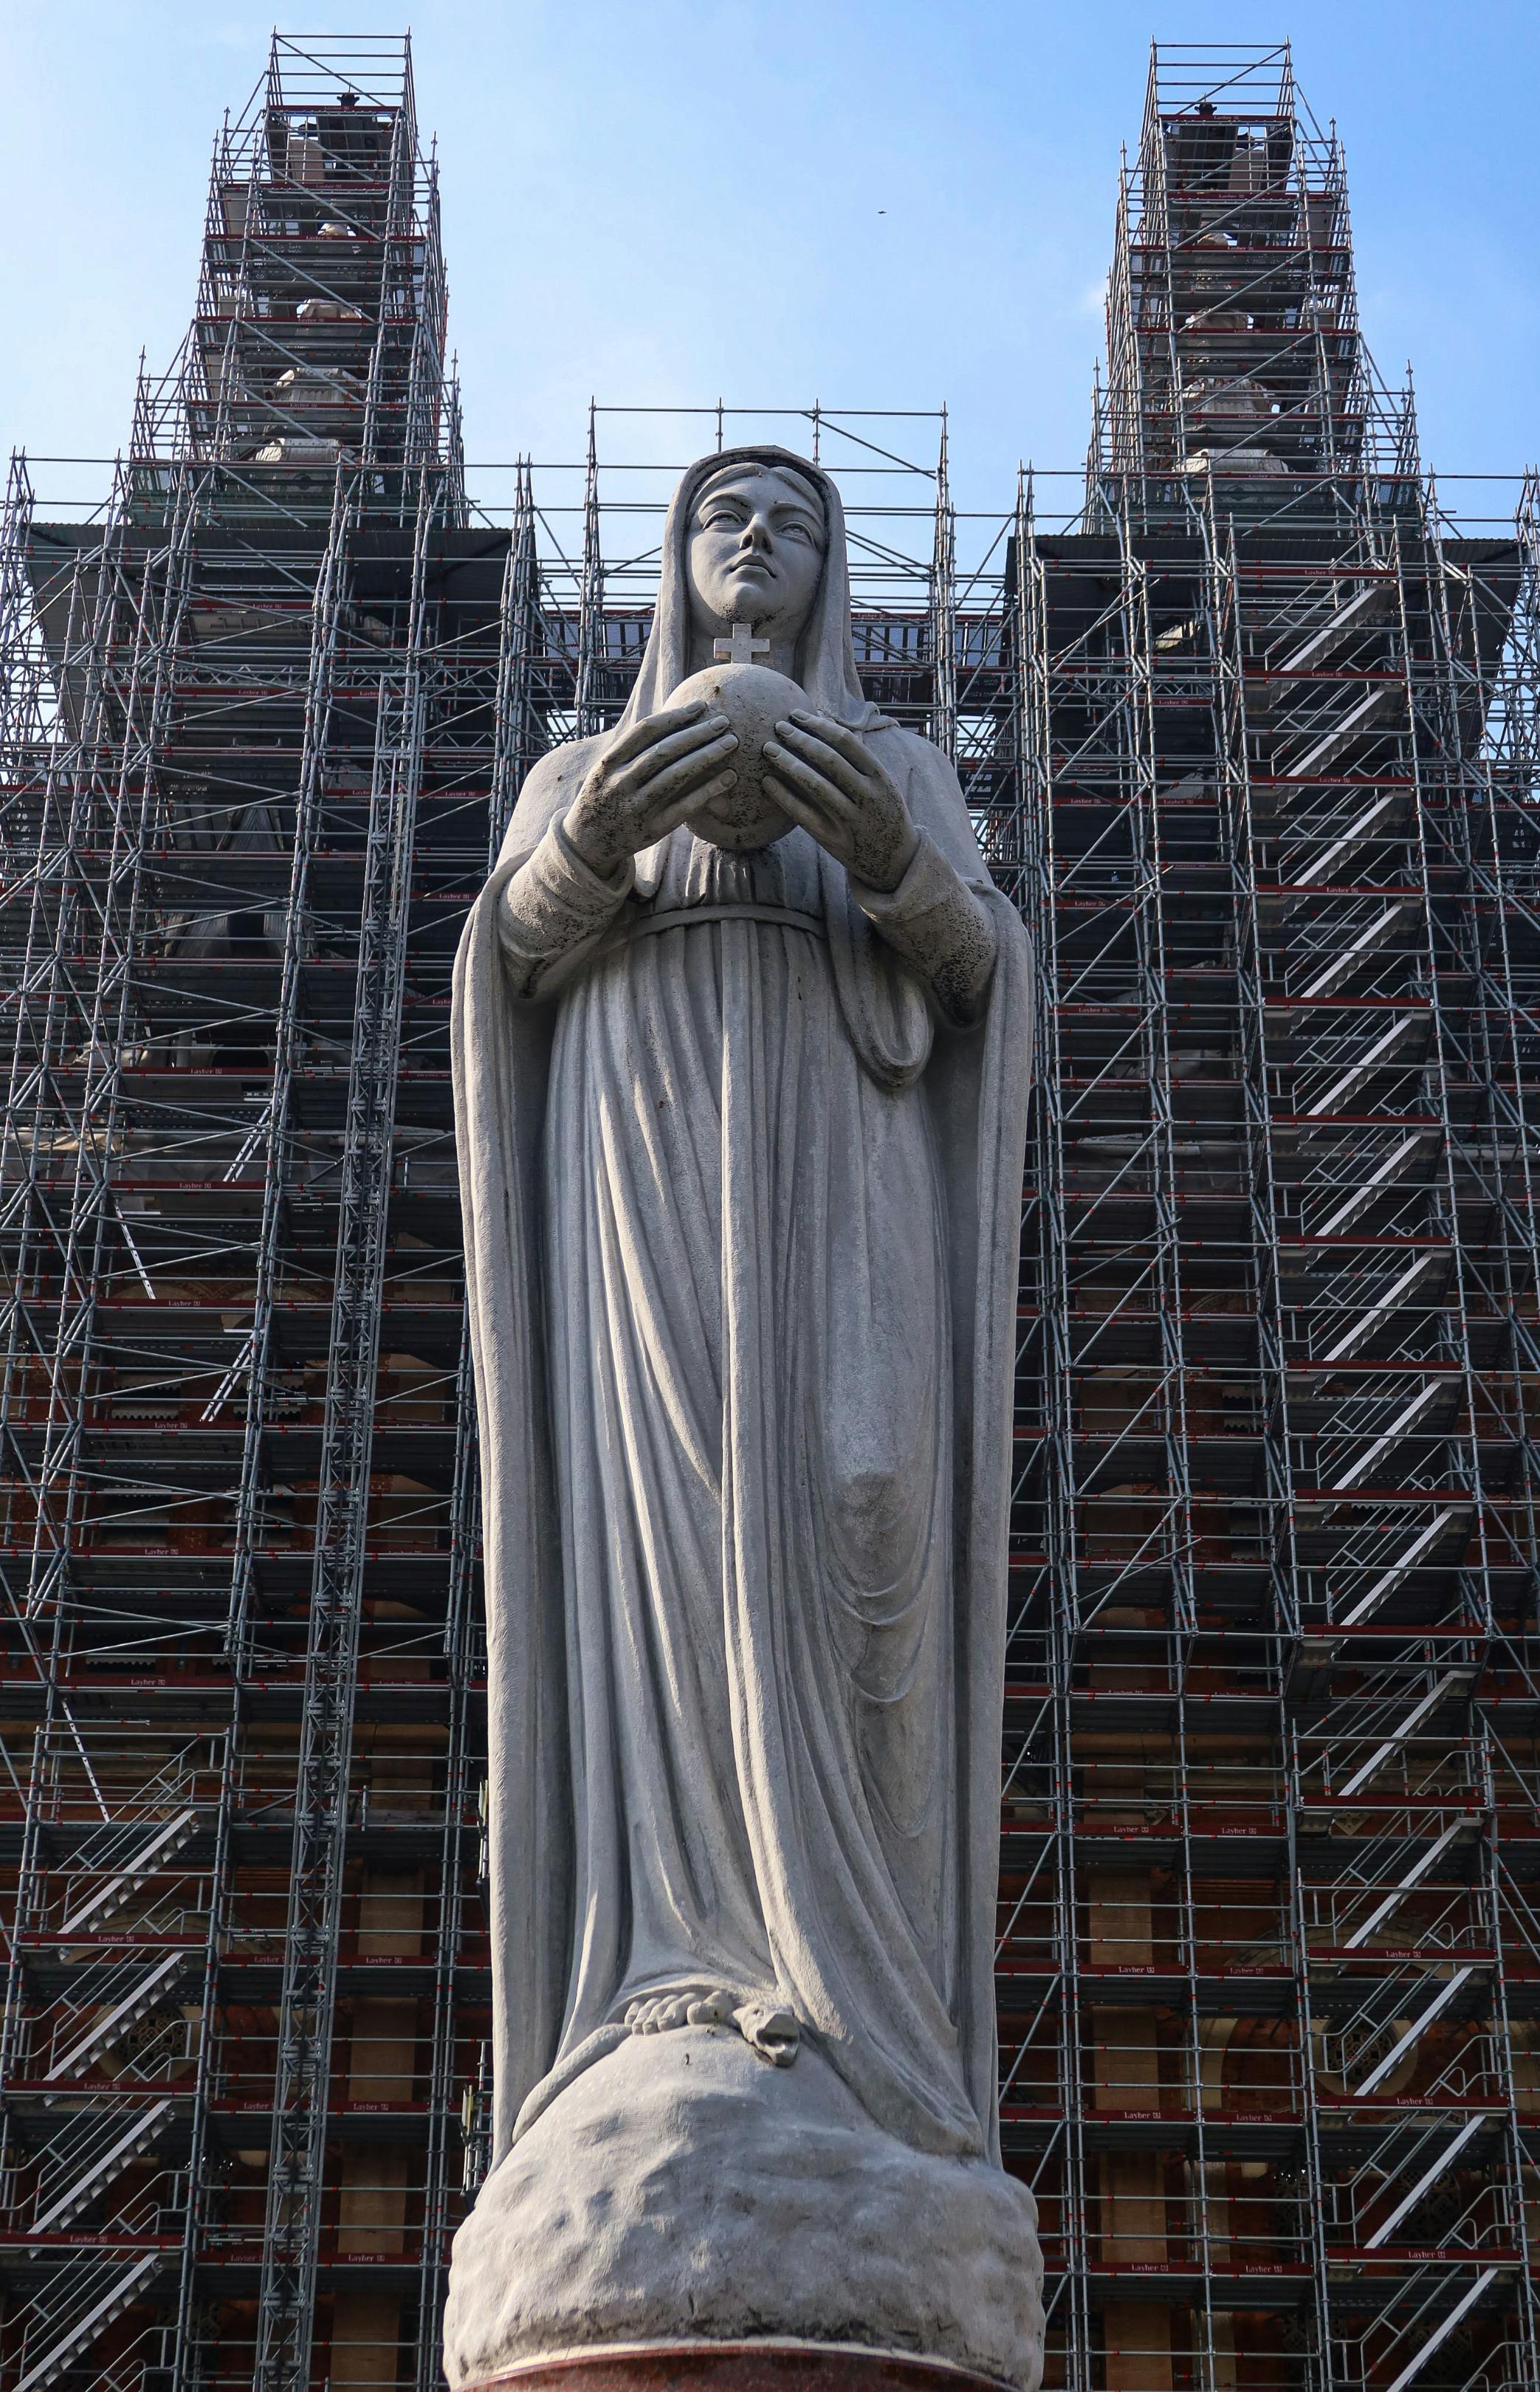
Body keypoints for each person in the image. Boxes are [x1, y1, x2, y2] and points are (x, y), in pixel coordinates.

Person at [451, 446, 1033, 2174]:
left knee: (861, 1502)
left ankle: (871, 2013)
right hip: (639, 1148)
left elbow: (983, 977)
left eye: (790, 517)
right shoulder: (582, 759)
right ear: (676, 565)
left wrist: (883, 851)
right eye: (722, 514)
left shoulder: (904, 762)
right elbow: (505, 960)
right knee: (661, 1545)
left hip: (840, 1152)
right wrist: (606, 828)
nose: (755, 538)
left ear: (831, 567)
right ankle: (675, 1970)